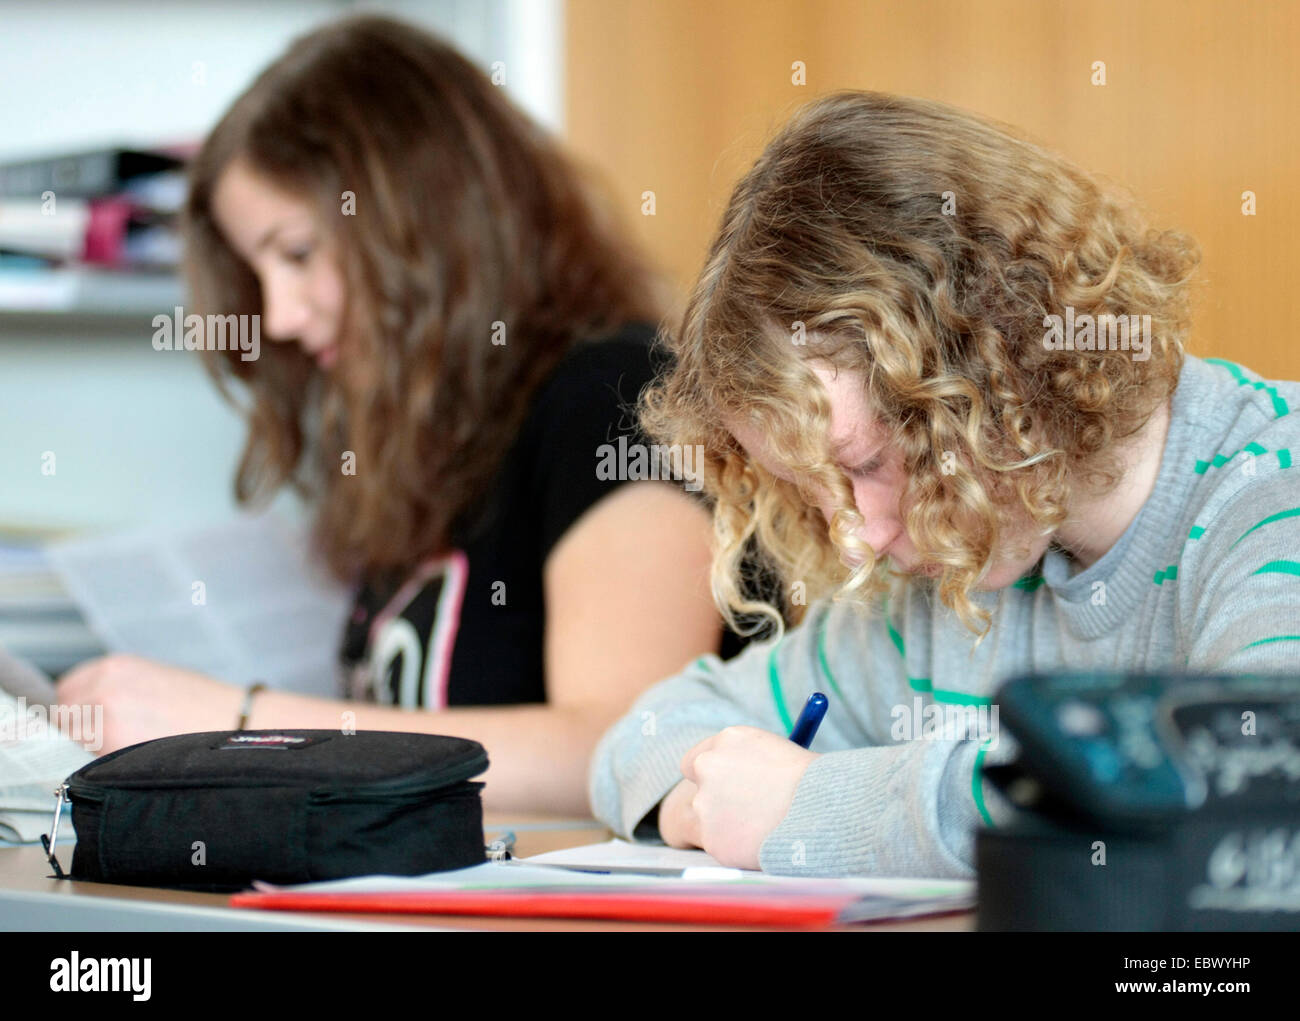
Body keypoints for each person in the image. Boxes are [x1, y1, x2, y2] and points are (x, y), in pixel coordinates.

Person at [588, 90, 1300, 876]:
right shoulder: (955, 579)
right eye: (817, 491)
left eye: (865, 464)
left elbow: (1255, 791)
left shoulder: (1274, 486)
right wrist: (711, 802)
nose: (858, 537)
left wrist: (810, 807)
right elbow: (646, 733)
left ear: (1002, 353)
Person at [55, 15, 742, 817]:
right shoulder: (424, 447)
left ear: (422, 219)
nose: (276, 315)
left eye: (299, 253)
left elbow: (626, 744)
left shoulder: (612, 395)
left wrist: (239, 721)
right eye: (257, 271)